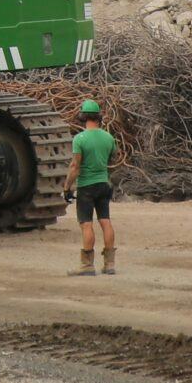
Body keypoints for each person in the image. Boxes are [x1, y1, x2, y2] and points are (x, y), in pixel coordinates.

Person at [67, 99, 117, 275]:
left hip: (86, 186)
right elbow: (113, 158)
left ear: (82, 116)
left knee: (86, 224)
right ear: (99, 117)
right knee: (105, 221)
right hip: (104, 183)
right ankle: (109, 264)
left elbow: (75, 167)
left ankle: (87, 265)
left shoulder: (79, 139)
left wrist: (67, 187)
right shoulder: (109, 137)